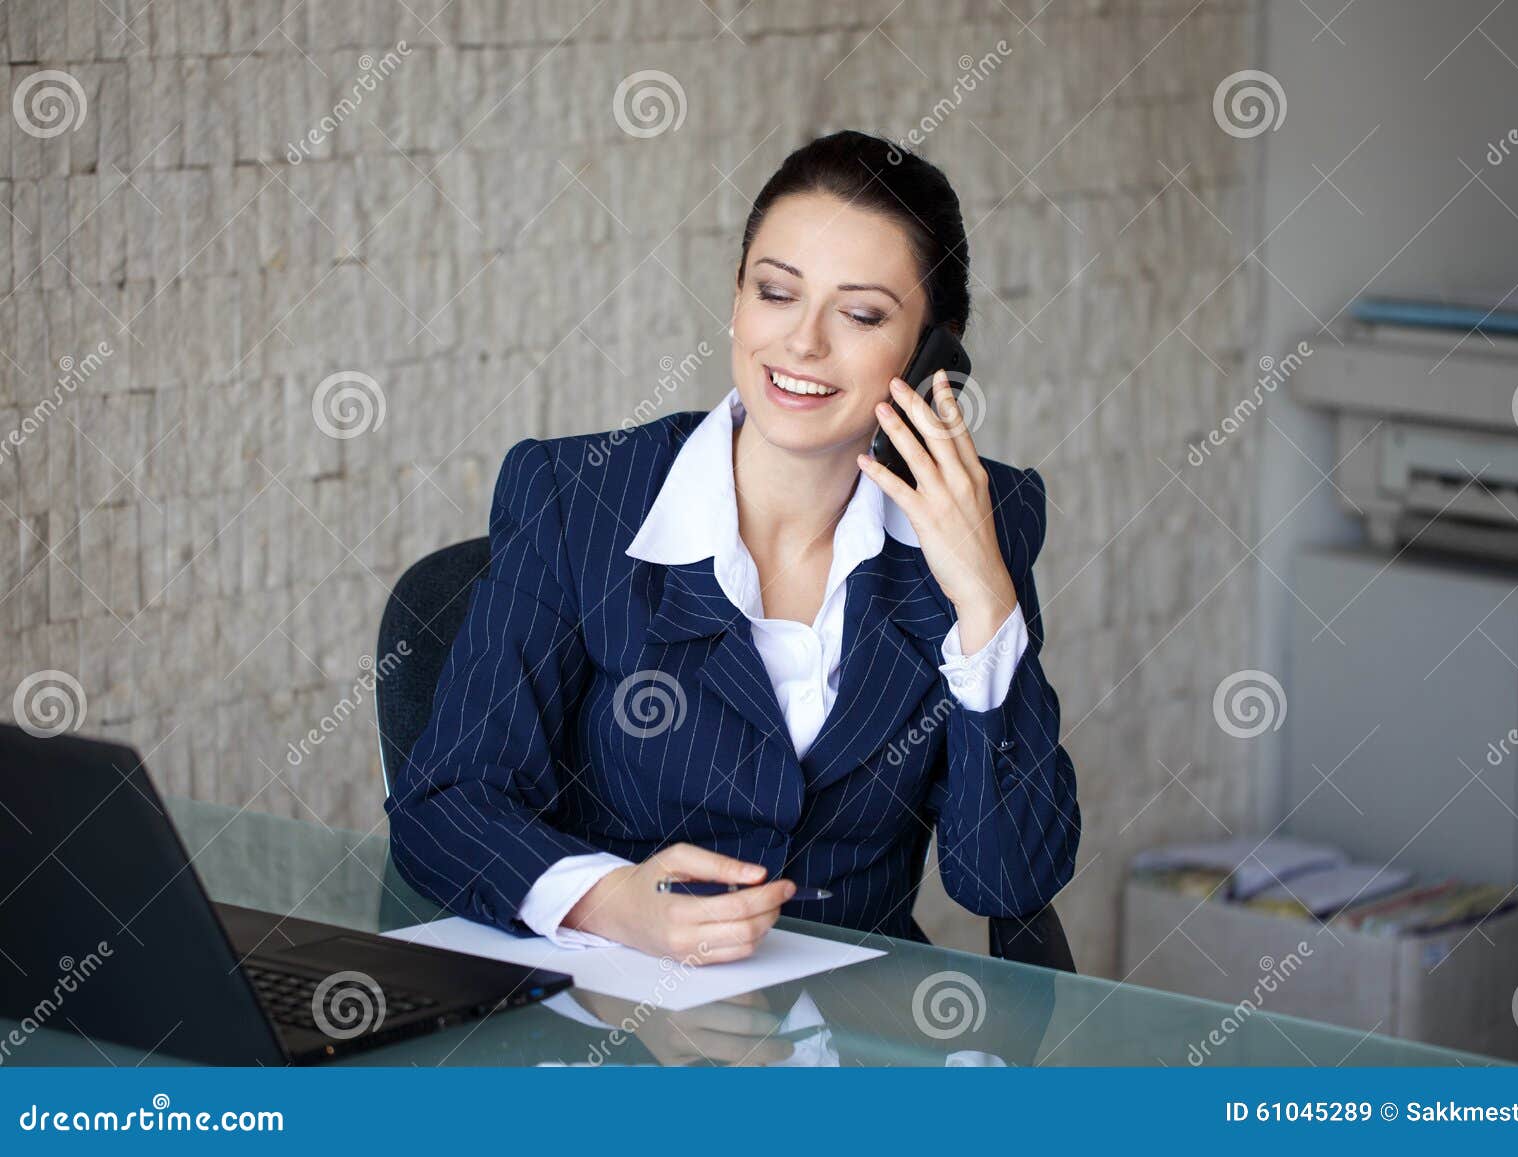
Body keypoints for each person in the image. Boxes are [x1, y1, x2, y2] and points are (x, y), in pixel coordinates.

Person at [386, 129, 1082, 967]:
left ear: (937, 352)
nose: (803, 343)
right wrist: (610, 901)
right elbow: (445, 804)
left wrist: (982, 598)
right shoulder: (579, 500)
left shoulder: (980, 519)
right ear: (737, 299)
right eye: (776, 292)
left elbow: (1006, 880)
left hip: (853, 1048)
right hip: (619, 1036)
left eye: (861, 314)